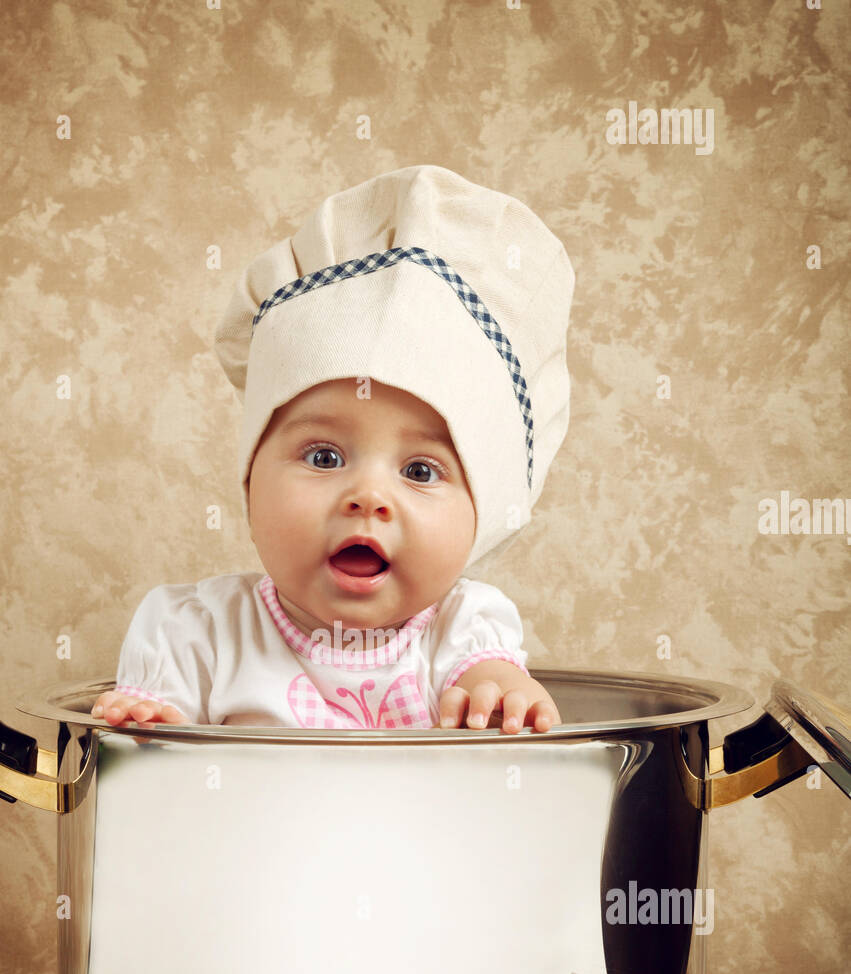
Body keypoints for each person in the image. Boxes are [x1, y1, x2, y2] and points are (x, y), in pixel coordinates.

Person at [93, 165, 575, 733]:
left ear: (483, 515)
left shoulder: (463, 632)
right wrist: (148, 728)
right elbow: (157, 777)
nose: (368, 496)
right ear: (250, 479)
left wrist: (501, 696)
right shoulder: (198, 633)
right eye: (324, 457)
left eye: (420, 470)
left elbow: (491, 686)